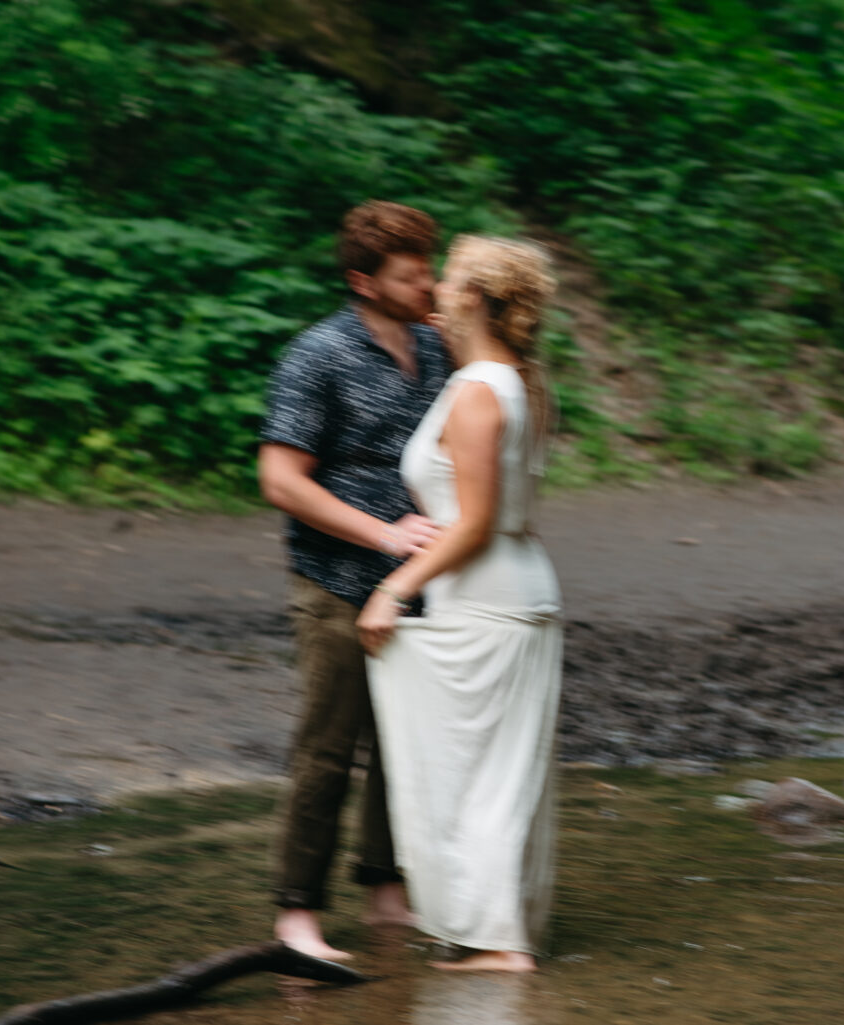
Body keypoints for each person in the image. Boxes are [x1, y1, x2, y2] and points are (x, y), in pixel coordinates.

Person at [357, 235, 563, 972]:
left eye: (446, 280)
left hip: (486, 603)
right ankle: (494, 932)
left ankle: (499, 945)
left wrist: (392, 587)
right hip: (509, 595)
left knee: (470, 775)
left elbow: (473, 522)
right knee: (489, 775)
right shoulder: (516, 381)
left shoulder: (481, 391)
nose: (434, 290)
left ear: (473, 298)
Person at [257, 200, 453, 961]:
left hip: (421, 586)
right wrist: (382, 532)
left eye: (428, 269)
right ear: (362, 281)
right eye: (410, 276)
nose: (427, 285)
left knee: (404, 745)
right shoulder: (317, 356)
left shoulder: (436, 350)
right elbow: (280, 479)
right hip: (336, 579)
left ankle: (385, 888)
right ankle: (297, 912)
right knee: (327, 749)